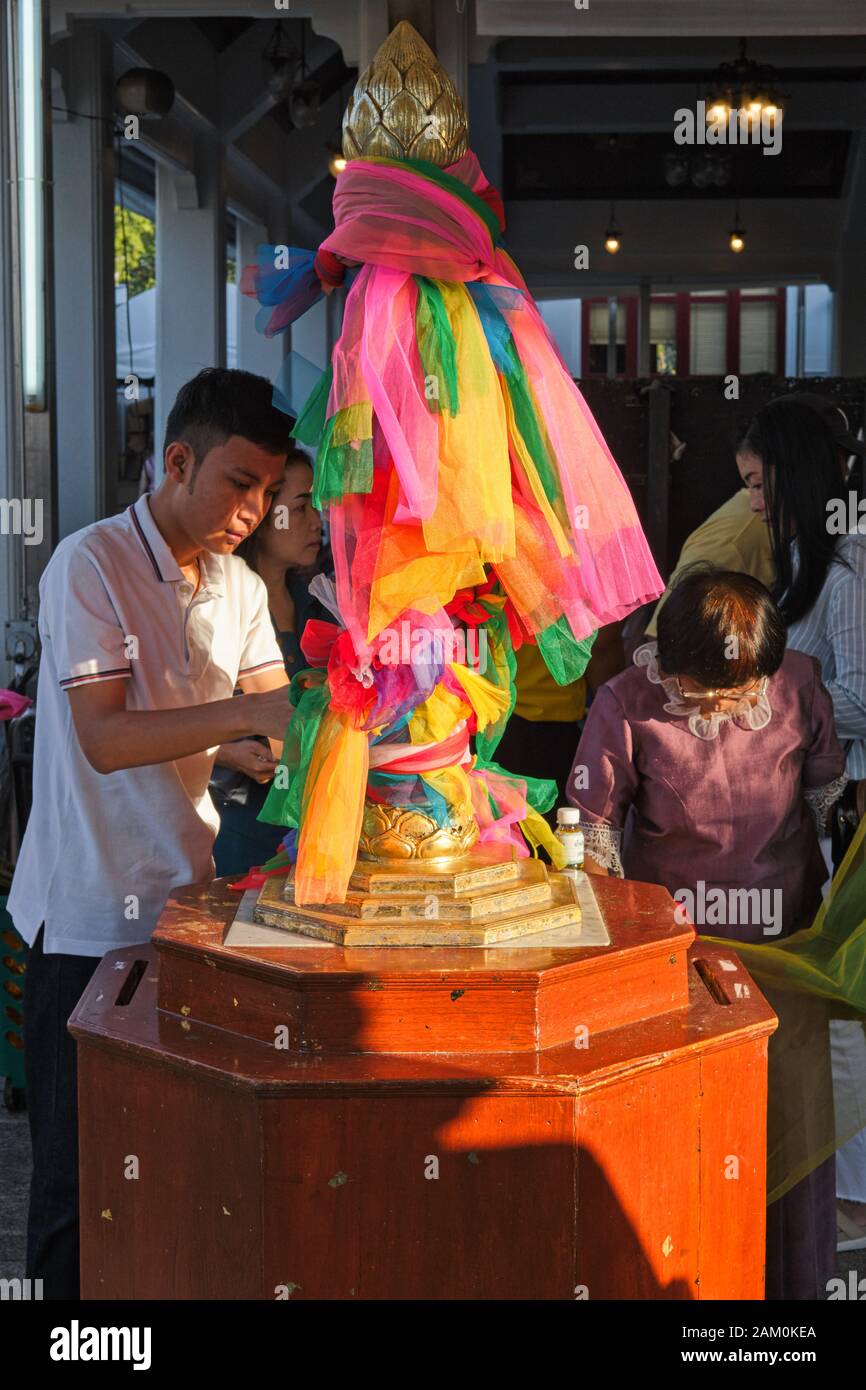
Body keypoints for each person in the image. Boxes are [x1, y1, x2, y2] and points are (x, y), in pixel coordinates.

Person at [7, 367, 295, 1299]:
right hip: (86, 925)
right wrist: (242, 721)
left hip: (185, 914)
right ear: (178, 461)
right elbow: (104, 738)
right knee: (74, 1187)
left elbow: (266, 722)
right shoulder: (88, 565)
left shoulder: (240, 588)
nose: (255, 508)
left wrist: (272, 745)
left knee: (170, 1174)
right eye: (240, 482)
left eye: (268, 489)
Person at [568, 566, 847, 1299]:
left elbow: (827, 805)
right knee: (684, 1129)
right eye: (709, 689)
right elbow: (594, 835)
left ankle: (789, 1304)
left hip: (784, 960)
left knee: (787, 1126)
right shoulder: (626, 703)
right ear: (669, 659)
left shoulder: (799, 685)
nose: (726, 703)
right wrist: (619, 950)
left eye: (743, 687)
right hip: (676, 964)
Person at [736, 393, 866, 1249]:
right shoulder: (798, 556)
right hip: (825, 808)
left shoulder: (848, 571)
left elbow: (860, 695)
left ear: (795, 476)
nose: (748, 499)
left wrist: (784, 693)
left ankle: (851, 1201)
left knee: (844, 1010)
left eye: (757, 481)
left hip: (849, 812)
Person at [211, 448, 325, 877]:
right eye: (299, 507)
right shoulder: (215, 604)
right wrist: (223, 752)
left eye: (317, 506)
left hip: (304, 819)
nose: (316, 521)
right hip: (235, 821)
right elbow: (156, 720)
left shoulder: (319, 601)